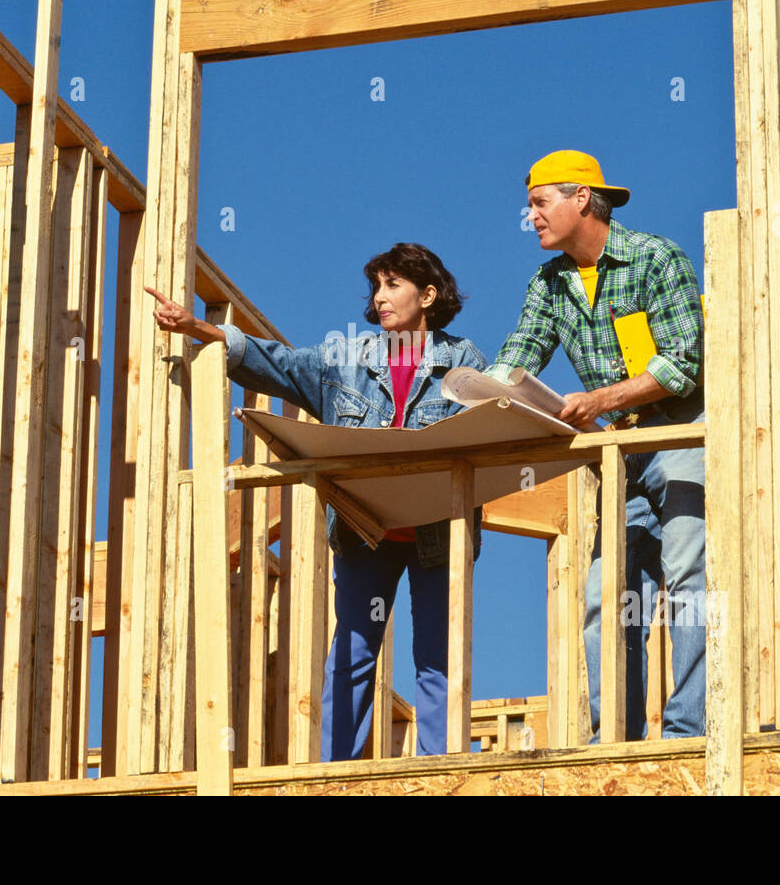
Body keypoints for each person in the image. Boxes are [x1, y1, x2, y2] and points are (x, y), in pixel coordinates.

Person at [146, 243, 486, 759]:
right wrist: (200, 329)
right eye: (377, 286)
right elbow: (277, 363)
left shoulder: (462, 361)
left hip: (436, 530)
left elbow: (495, 428)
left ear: (429, 294)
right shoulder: (345, 358)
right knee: (351, 655)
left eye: (394, 285)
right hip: (365, 528)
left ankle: (439, 769)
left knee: (438, 656)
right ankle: (336, 773)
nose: (381, 297)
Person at [487, 150, 706, 739]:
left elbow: (686, 362)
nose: (530, 216)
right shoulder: (550, 283)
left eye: (539, 203)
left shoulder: (654, 259)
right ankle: (615, 738)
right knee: (601, 595)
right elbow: (519, 356)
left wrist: (600, 401)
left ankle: (691, 730)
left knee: (689, 574)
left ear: (580, 198)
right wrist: (482, 395)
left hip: (681, 432)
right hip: (620, 452)